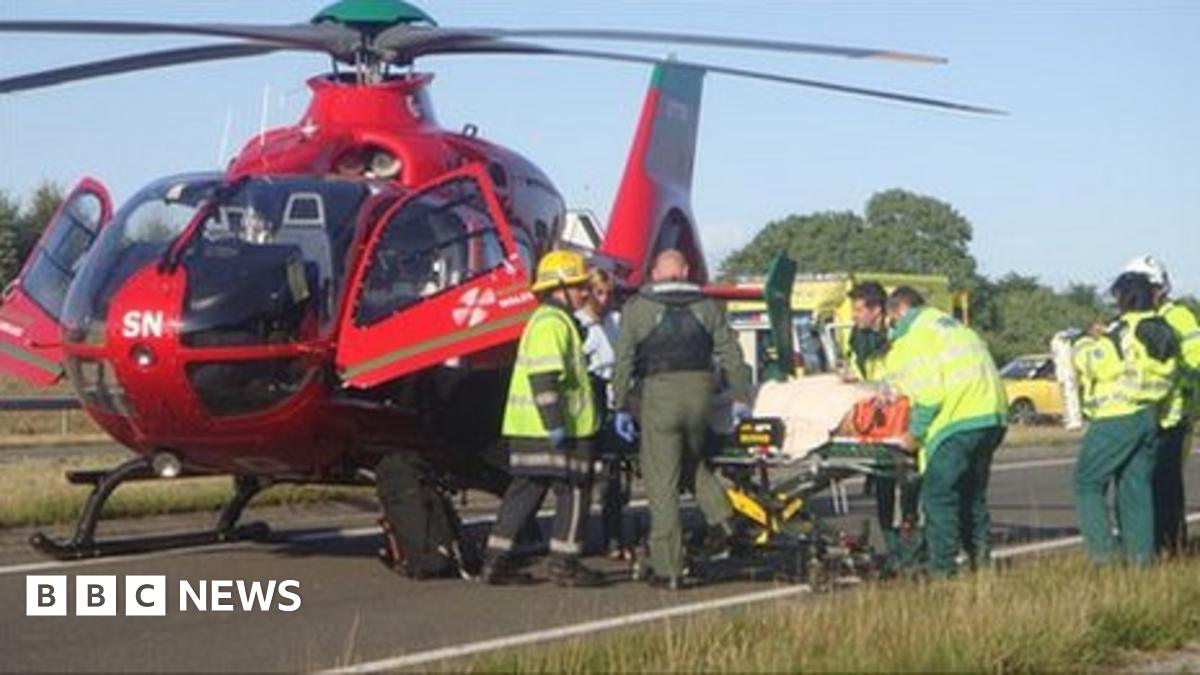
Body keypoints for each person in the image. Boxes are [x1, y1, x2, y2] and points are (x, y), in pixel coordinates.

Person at [611, 249, 752, 589]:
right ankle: (724, 517)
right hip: (701, 393)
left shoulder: (638, 308)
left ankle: (668, 567)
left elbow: (624, 360)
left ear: (654, 274)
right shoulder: (707, 306)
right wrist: (740, 396)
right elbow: (731, 353)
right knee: (689, 459)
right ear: (686, 271)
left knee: (662, 482)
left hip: (660, 395)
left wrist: (620, 405)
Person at [480, 250, 605, 587]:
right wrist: (556, 425)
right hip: (556, 429)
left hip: (529, 429)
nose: (584, 293)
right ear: (559, 288)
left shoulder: (547, 320)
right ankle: (564, 563)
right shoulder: (552, 323)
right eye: (578, 286)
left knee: (525, 492)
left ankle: (495, 561)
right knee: (575, 489)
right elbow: (544, 378)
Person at [882, 286, 1008, 578]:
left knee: (938, 497)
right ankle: (982, 565)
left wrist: (913, 435)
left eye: (893, 320)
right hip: (992, 416)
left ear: (899, 311)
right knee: (972, 497)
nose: (892, 327)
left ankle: (944, 573)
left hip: (957, 421)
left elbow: (930, 395)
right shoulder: (952, 327)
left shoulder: (914, 338)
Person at [1072, 272, 1177, 565]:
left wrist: (1082, 341)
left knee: (1087, 482)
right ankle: (1142, 562)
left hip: (1116, 416)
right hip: (1149, 415)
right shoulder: (1162, 329)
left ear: (1122, 297)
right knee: (1135, 488)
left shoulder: (1123, 332)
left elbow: (1097, 365)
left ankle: (1104, 558)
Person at [1122, 256, 1199, 554]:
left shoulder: (1177, 316)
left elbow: (1195, 359)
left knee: (1166, 483)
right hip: (1142, 414)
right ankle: (1147, 545)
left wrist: (1175, 381)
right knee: (1143, 482)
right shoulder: (1134, 319)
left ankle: (1171, 546)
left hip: (1171, 416)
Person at [846, 281, 923, 574]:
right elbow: (859, 371)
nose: (854, 316)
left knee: (911, 488)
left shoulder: (899, 336)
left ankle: (912, 549)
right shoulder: (858, 340)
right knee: (883, 488)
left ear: (876, 310)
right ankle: (894, 551)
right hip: (878, 421)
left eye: (858, 310)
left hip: (905, 417)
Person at [576, 268, 633, 559]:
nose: (605, 299)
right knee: (584, 477)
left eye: (609, 293)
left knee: (612, 478)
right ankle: (576, 537)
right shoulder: (578, 324)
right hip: (589, 403)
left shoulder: (616, 322)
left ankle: (614, 537)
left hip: (613, 405)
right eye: (599, 292)